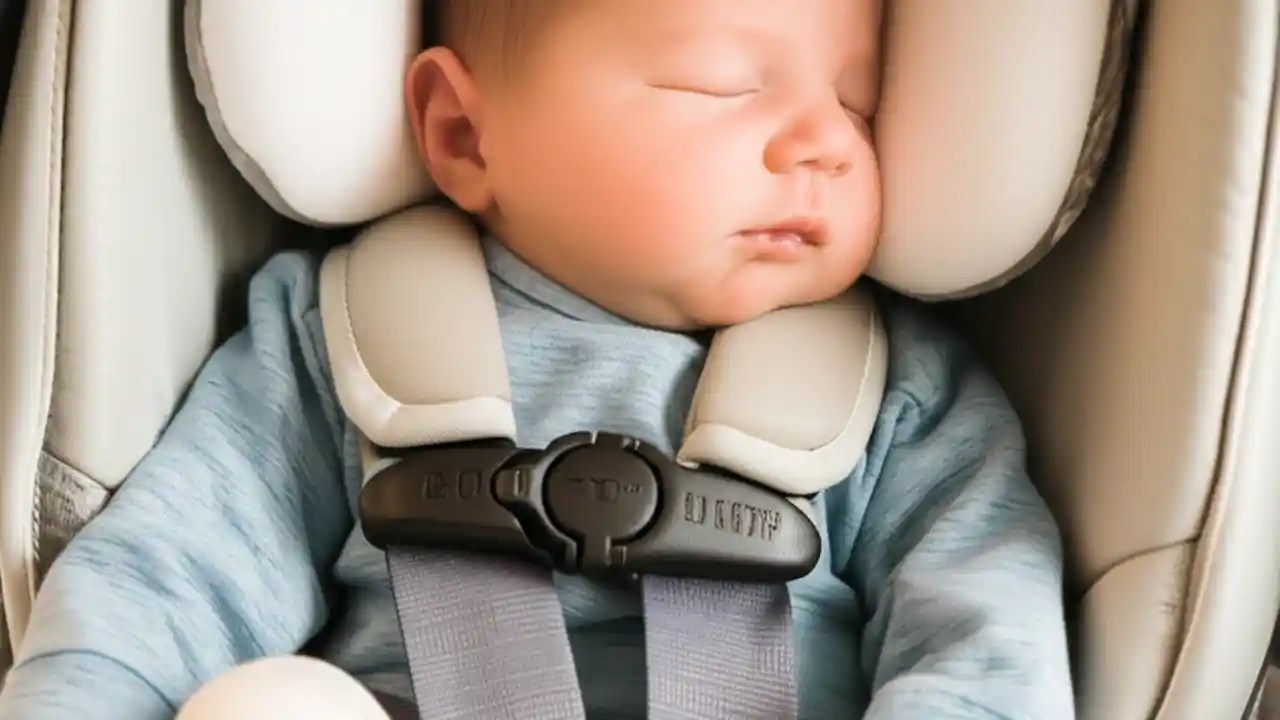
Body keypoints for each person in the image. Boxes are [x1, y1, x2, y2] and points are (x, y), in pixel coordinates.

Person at [0, 1, 1073, 717]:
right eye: (717, 84)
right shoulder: (342, 337)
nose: (824, 143)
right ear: (467, 136)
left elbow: (986, 633)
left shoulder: (900, 394)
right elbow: (174, 575)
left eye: (859, 102)